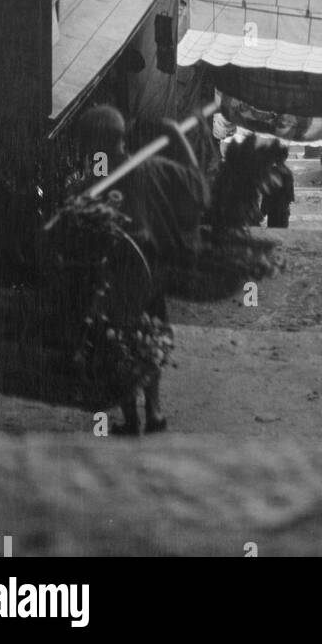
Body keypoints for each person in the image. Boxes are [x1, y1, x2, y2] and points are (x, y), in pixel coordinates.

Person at [75, 105, 207, 435]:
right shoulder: (151, 169)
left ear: (94, 144)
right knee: (148, 336)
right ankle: (154, 410)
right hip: (150, 272)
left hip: (116, 276)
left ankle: (131, 418)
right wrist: (177, 136)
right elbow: (197, 187)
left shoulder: (97, 179)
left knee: (117, 341)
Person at [260, 141, 295, 229]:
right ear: (285, 157)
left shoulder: (270, 172)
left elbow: (266, 194)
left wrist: (263, 211)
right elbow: (290, 195)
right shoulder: (287, 173)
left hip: (272, 210)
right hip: (283, 209)